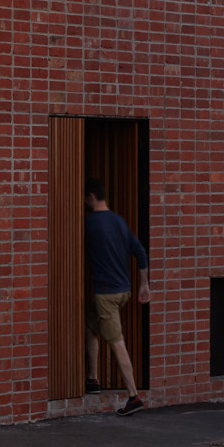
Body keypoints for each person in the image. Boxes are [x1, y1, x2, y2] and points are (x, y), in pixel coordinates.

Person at [84, 176, 152, 416]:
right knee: (91, 325)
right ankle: (92, 379)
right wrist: (144, 285)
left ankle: (133, 396)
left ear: (91, 197)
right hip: (124, 291)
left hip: (107, 295)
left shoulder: (90, 223)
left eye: (85, 199)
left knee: (117, 343)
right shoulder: (119, 222)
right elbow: (140, 252)